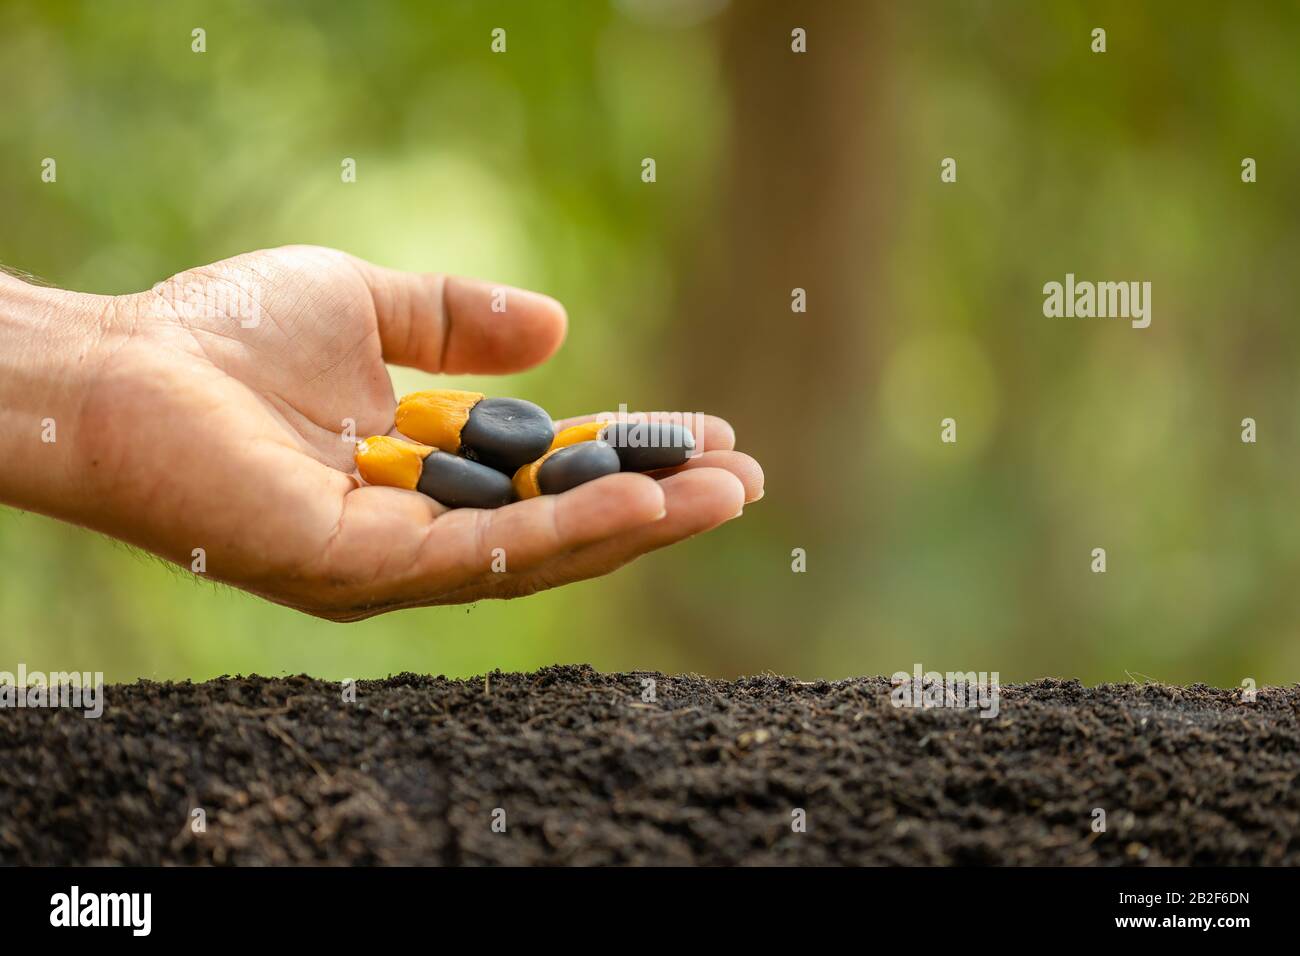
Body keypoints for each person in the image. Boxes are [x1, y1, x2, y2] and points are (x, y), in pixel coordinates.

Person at [0, 245, 763, 620]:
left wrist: (96, 370)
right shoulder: (424, 442)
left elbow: (529, 455)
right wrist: (99, 369)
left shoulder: (504, 448)